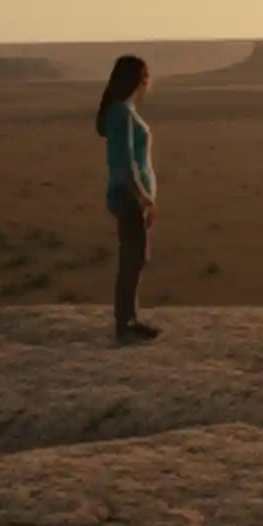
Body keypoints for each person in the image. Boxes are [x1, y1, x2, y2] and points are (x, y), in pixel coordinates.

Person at [96, 55, 161, 342]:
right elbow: (126, 164)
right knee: (132, 258)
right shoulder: (122, 114)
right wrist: (144, 198)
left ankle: (129, 319)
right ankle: (125, 323)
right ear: (140, 79)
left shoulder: (123, 111)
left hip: (129, 194)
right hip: (128, 195)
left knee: (135, 258)